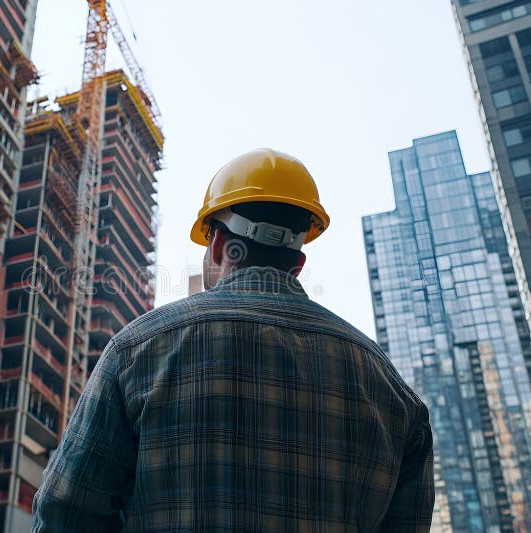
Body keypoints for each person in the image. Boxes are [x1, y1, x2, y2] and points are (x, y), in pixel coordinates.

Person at [32, 148, 434, 532]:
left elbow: (65, 515)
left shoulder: (137, 351)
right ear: (298, 263)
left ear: (220, 245)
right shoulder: (392, 394)